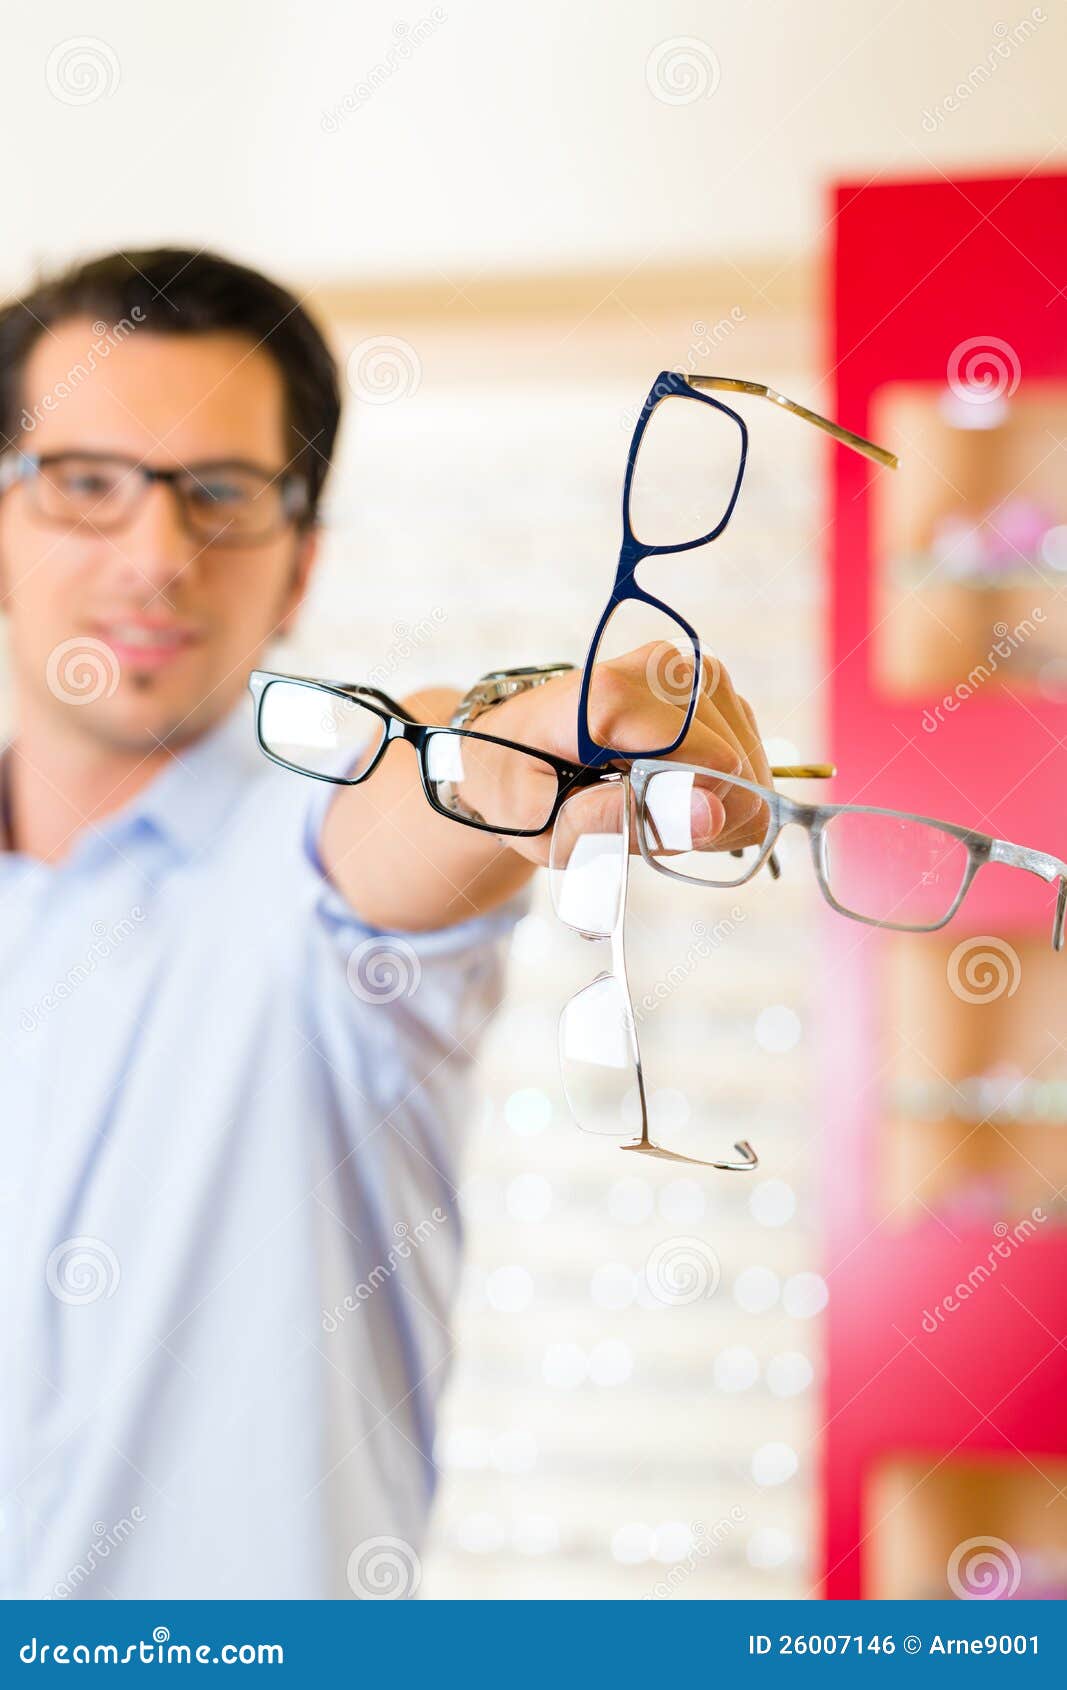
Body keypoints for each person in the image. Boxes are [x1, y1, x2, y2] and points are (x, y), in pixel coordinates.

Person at [0, 248, 770, 1599]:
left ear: (299, 565)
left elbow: (426, 798)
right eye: (86, 485)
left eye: (222, 495)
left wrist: (539, 736)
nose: (157, 553)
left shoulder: (303, 848)